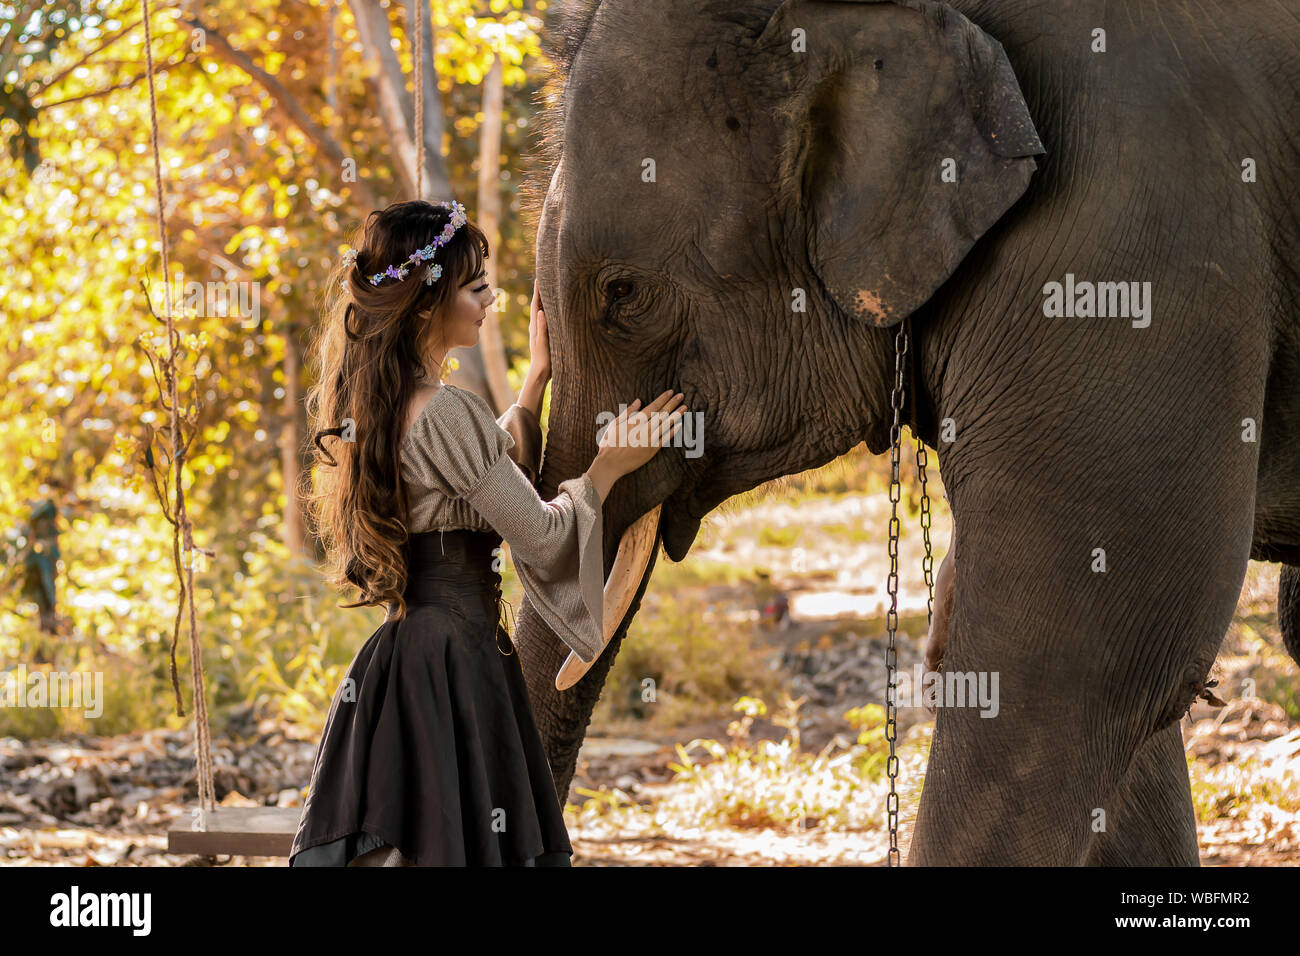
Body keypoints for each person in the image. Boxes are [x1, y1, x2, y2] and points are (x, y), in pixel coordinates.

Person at [290, 199, 686, 866]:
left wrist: (535, 381)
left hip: (409, 655)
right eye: (476, 288)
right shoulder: (443, 410)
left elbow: (475, 484)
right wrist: (609, 466)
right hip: (457, 658)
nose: (488, 300)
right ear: (426, 303)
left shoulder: (384, 406)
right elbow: (541, 536)